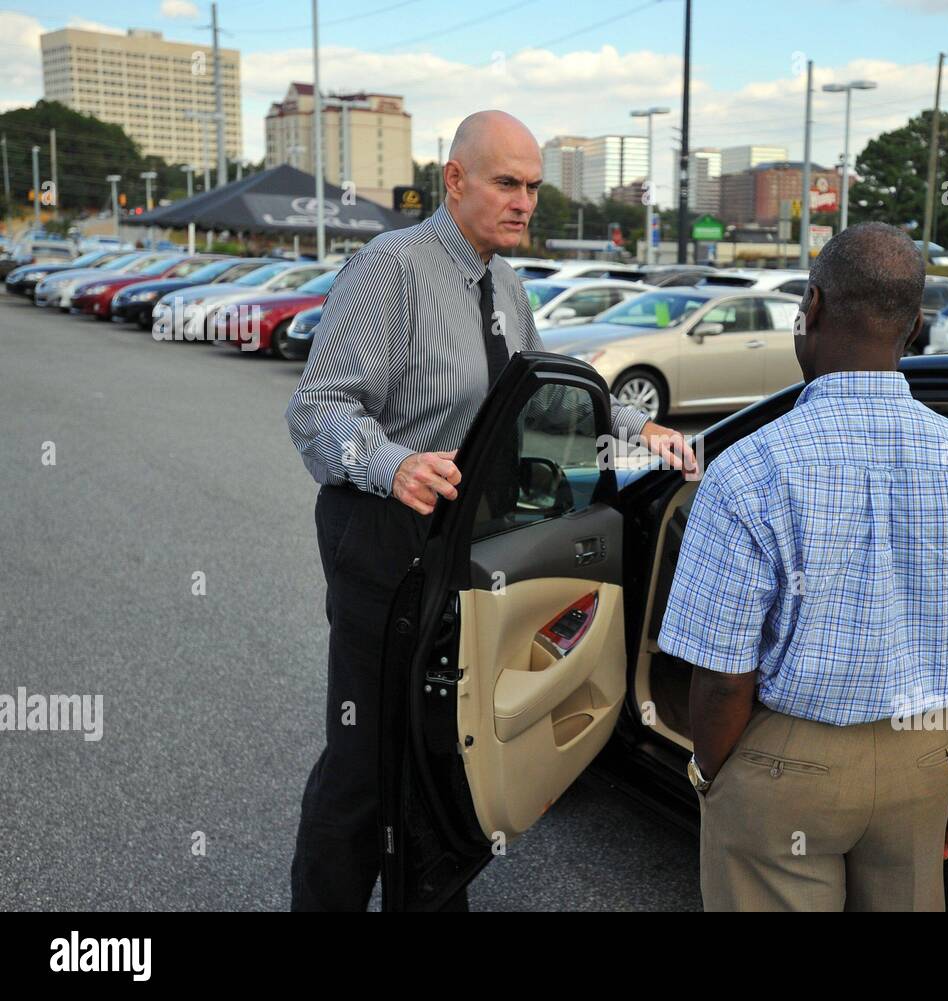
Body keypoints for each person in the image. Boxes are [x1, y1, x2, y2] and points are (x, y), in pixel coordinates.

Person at [284, 110, 695, 911]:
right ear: (456, 179)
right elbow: (317, 408)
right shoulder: (389, 268)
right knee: (368, 758)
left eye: (535, 187)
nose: (524, 202)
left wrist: (631, 426)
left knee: (445, 750)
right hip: (385, 537)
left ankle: (430, 892)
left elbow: (529, 396)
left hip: (465, 544)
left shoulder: (504, 282)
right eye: (508, 183)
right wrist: (391, 463)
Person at [658, 222, 948, 911]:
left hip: (784, 765)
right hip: (922, 757)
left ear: (814, 306)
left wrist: (714, 772)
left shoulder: (748, 468)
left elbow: (720, 678)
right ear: (915, 324)